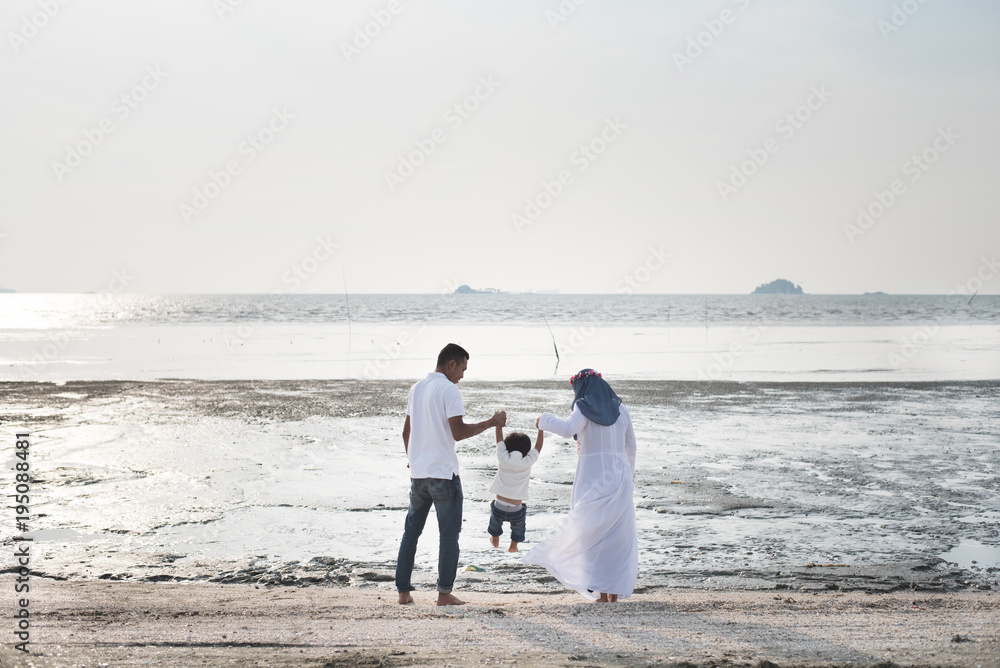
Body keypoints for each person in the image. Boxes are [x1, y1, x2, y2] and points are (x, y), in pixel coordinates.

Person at [395, 343, 506, 606]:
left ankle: (403, 592)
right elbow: (458, 432)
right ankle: (444, 594)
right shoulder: (449, 389)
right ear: (451, 363)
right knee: (448, 535)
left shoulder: (417, 388)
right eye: (463, 369)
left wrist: (413, 465)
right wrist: (490, 423)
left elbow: (405, 433)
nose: (463, 376)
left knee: (411, 533)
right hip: (444, 474)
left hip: (420, 474)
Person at [522, 368, 637, 603]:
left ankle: (599, 590)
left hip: (593, 476)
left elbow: (566, 429)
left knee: (589, 531)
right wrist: (629, 477)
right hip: (620, 475)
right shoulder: (621, 409)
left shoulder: (584, 407)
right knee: (616, 536)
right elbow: (631, 446)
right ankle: (611, 593)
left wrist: (543, 420)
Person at [486, 425, 543, 553]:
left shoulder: (503, 458)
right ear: (527, 450)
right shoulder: (527, 461)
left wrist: (498, 425)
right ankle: (513, 545)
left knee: (495, 523)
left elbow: (499, 440)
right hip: (516, 509)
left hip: (499, 506)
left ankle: (495, 538)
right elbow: (538, 447)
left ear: (507, 446)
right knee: (518, 527)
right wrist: (541, 429)